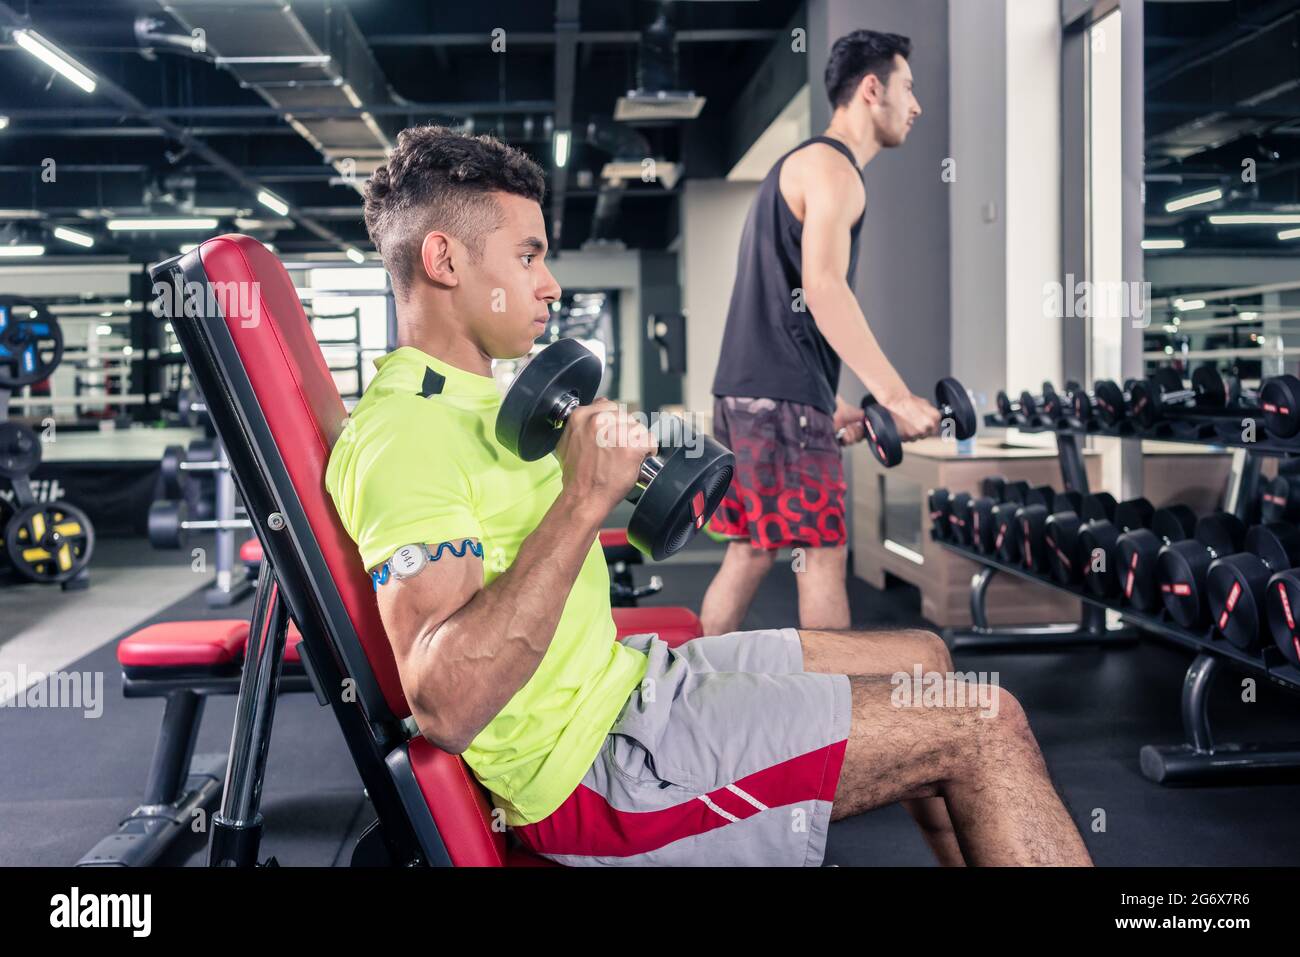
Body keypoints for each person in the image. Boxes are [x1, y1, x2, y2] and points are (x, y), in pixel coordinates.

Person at [324, 123, 1091, 866]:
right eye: (527, 256)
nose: (550, 285)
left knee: (926, 655)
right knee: (986, 721)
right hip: (597, 772)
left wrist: (608, 469)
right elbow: (447, 704)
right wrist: (583, 501)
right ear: (444, 259)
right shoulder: (406, 437)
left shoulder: (488, 401)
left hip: (634, 680)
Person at [703, 29, 941, 635]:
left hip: (745, 389)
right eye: (906, 89)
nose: (915, 106)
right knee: (822, 555)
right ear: (871, 89)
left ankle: (682, 697)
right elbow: (824, 288)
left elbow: (784, 310)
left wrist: (825, 403)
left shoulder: (796, 166)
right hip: (777, 397)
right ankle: (835, 720)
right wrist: (893, 394)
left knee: (752, 548)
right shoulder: (835, 172)